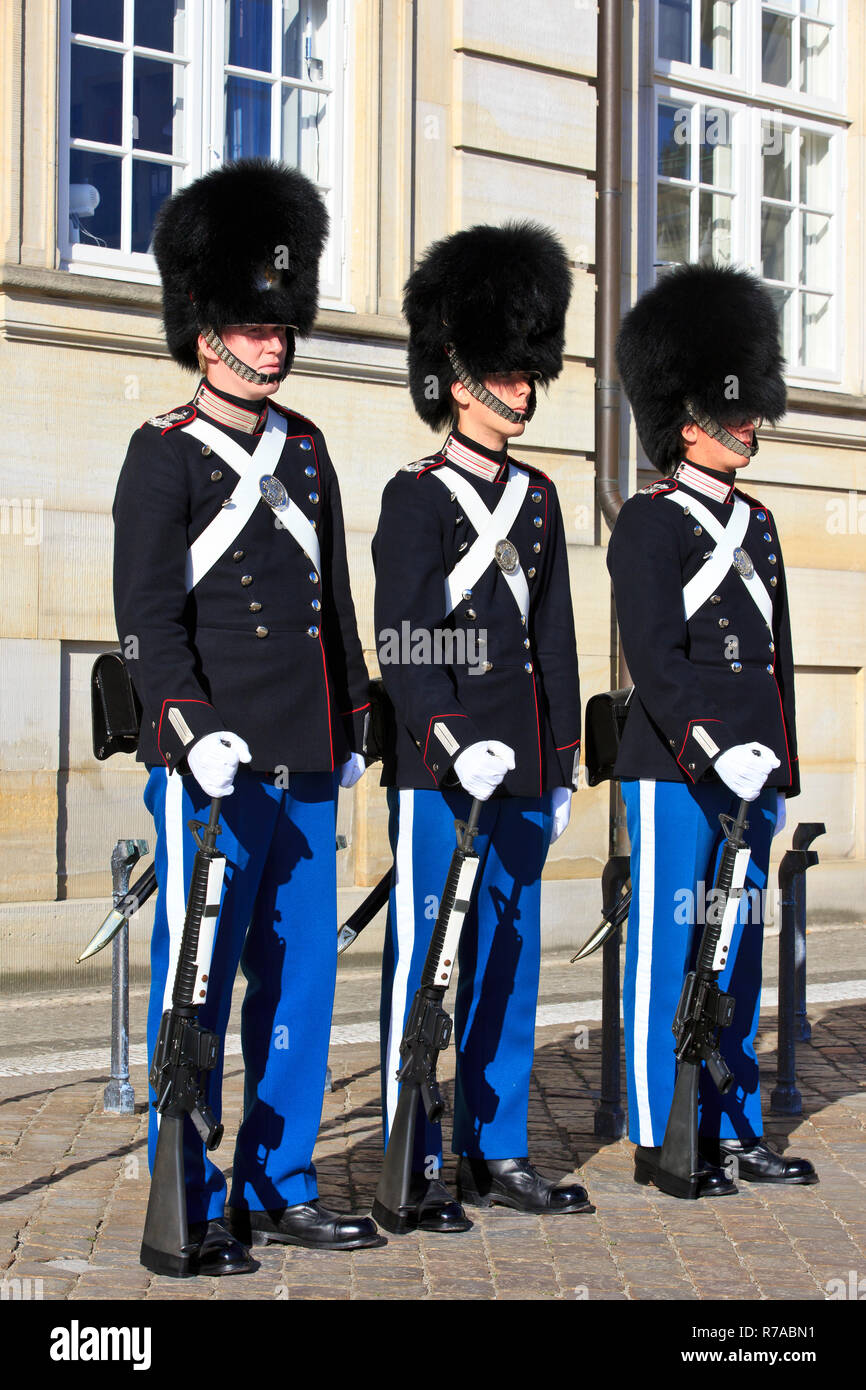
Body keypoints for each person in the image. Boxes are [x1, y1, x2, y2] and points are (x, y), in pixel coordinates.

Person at [113, 158, 381, 1275]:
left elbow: (332, 599)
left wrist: (356, 713)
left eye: (280, 321)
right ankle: (189, 1188)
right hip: (213, 764)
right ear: (203, 328)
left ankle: (279, 1178)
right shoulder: (162, 453)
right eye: (248, 322)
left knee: (302, 982)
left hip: (304, 759)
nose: (273, 341)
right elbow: (143, 618)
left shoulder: (307, 446)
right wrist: (186, 721)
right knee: (199, 978)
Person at [372, 221, 591, 1231]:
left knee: (505, 957)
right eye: (504, 370)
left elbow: (553, 637)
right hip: (441, 771)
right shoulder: (415, 497)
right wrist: (453, 736)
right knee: (430, 959)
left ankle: (492, 1147)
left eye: (526, 366)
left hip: (519, 774)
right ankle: (409, 1152)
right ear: (456, 380)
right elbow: (404, 637)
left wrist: (555, 766)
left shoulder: (539, 497)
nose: (522, 385)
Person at [610, 262, 818, 1196]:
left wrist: (776, 760)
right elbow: (655, 658)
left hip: (754, 773)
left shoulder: (761, 522)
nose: (750, 424)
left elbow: (772, 653)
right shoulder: (650, 522)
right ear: (686, 419)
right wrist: (711, 747)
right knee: (670, 948)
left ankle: (732, 1123)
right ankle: (664, 1131)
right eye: (733, 410)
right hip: (677, 771)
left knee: (735, 954)